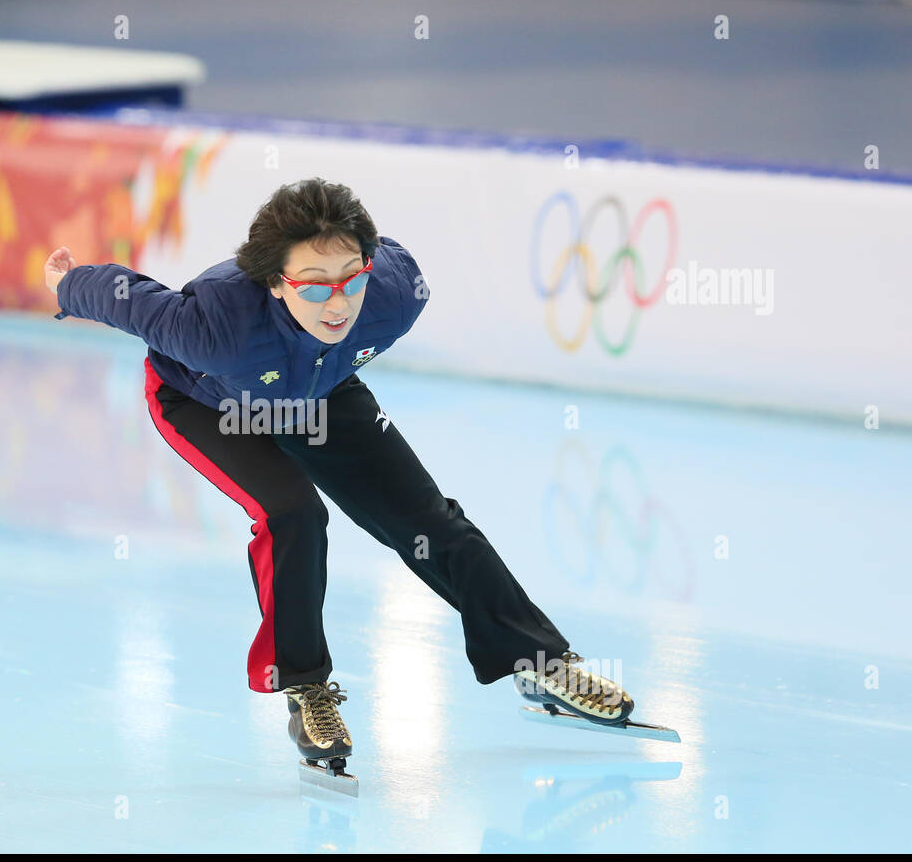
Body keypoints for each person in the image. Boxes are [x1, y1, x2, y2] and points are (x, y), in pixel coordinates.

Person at [45, 177, 633, 774]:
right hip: (208, 402)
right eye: (316, 286)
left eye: (352, 278)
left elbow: (382, 263)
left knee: (428, 521)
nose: (339, 303)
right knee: (294, 514)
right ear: (276, 283)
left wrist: (357, 276)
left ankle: (536, 661)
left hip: (321, 390)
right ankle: (305, 687)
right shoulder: (215, 330)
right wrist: (68, 283)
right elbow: (129, 297)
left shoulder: (395, 296)